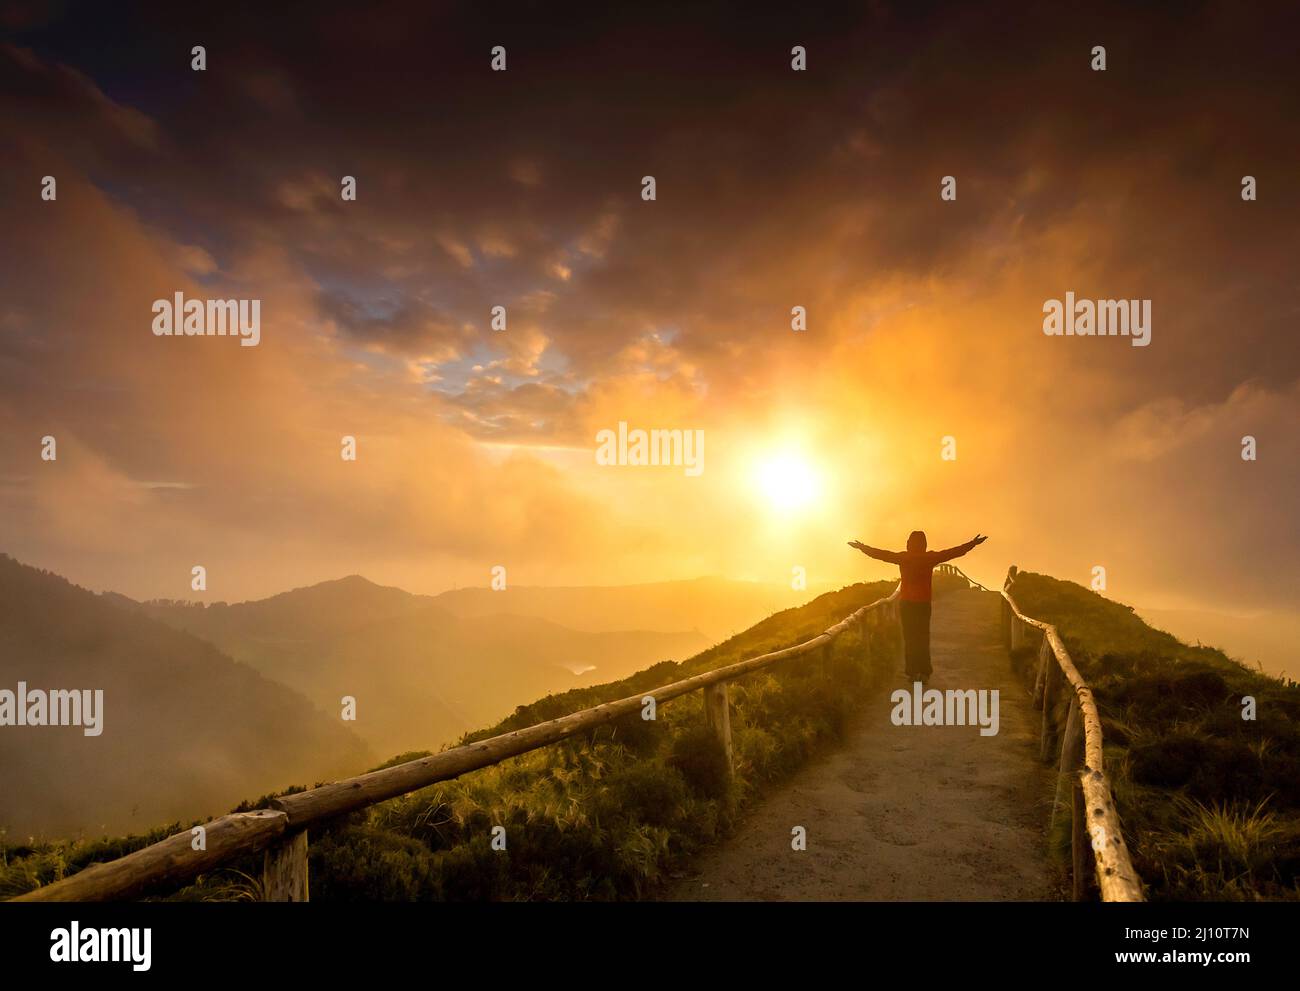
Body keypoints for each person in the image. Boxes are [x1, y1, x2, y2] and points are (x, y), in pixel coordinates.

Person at [848, 531, 988, 680]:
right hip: (923, 604)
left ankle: (913, 672)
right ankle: (924, 672)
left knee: (910, 638)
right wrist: (972, 544)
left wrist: (861, 547)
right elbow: (953, 552)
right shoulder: (930, 558)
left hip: (907, 604)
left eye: (908, 541)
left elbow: (881, 554)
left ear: (910, 543)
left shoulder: (903, 557)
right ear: (924, 544)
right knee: (923, 637)